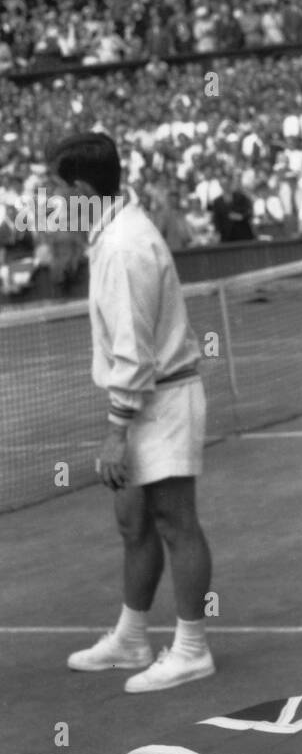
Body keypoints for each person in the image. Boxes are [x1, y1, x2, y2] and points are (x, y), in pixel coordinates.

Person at [56, 132, 216, 693]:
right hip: (146, 398)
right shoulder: (110, 237)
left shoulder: (124, 246)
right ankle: (131, 637)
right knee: (134, 522)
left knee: (175, 521)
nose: (55, 205)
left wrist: (115, 433)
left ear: (80, 188)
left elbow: (135, 352)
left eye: (59, 193)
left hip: (163, 401)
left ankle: (193, 647)